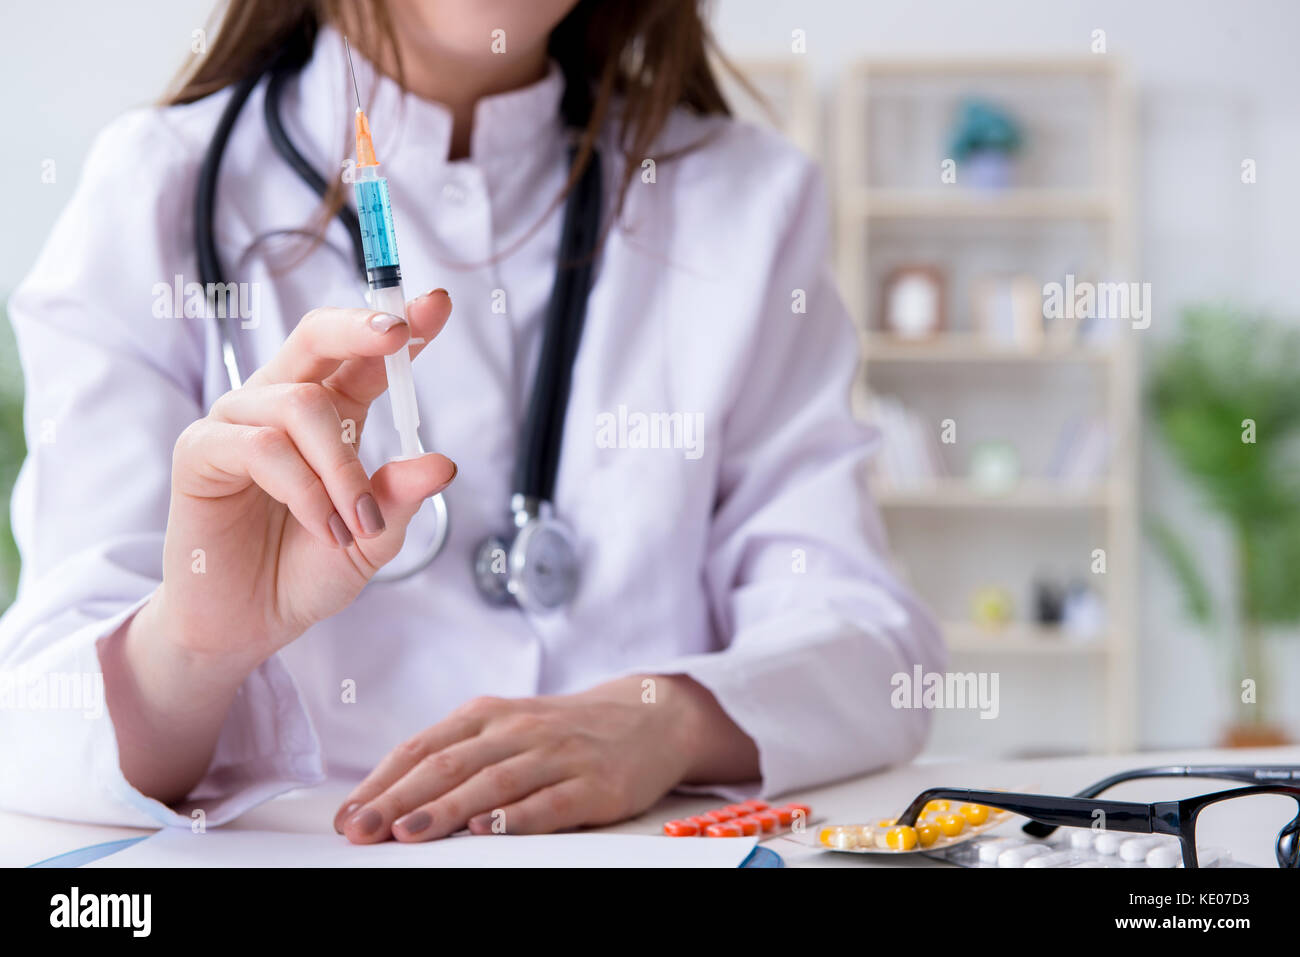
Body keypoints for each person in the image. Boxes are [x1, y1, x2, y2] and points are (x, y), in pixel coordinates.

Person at [0, 0, 944, 842]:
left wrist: (670, 716)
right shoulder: (158, 190)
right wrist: (195, 644)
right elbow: (38, 720)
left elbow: (872, 643)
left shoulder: (746, 196)